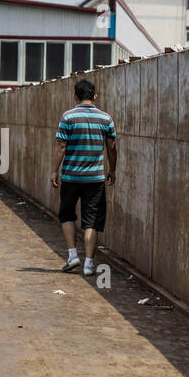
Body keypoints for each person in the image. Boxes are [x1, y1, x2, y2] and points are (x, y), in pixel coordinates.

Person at [50, 79, 117, 276]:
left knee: (67, 215)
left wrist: (54, 170)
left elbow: (61, 146)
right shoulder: (106, 119)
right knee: (91, 220)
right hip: (95, 179)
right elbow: (112, 148)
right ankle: (88, 264)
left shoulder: (68, 117)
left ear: (75, 96)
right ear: (94, 96)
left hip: (71, 177)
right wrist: (112, 169)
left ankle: (72, 255)